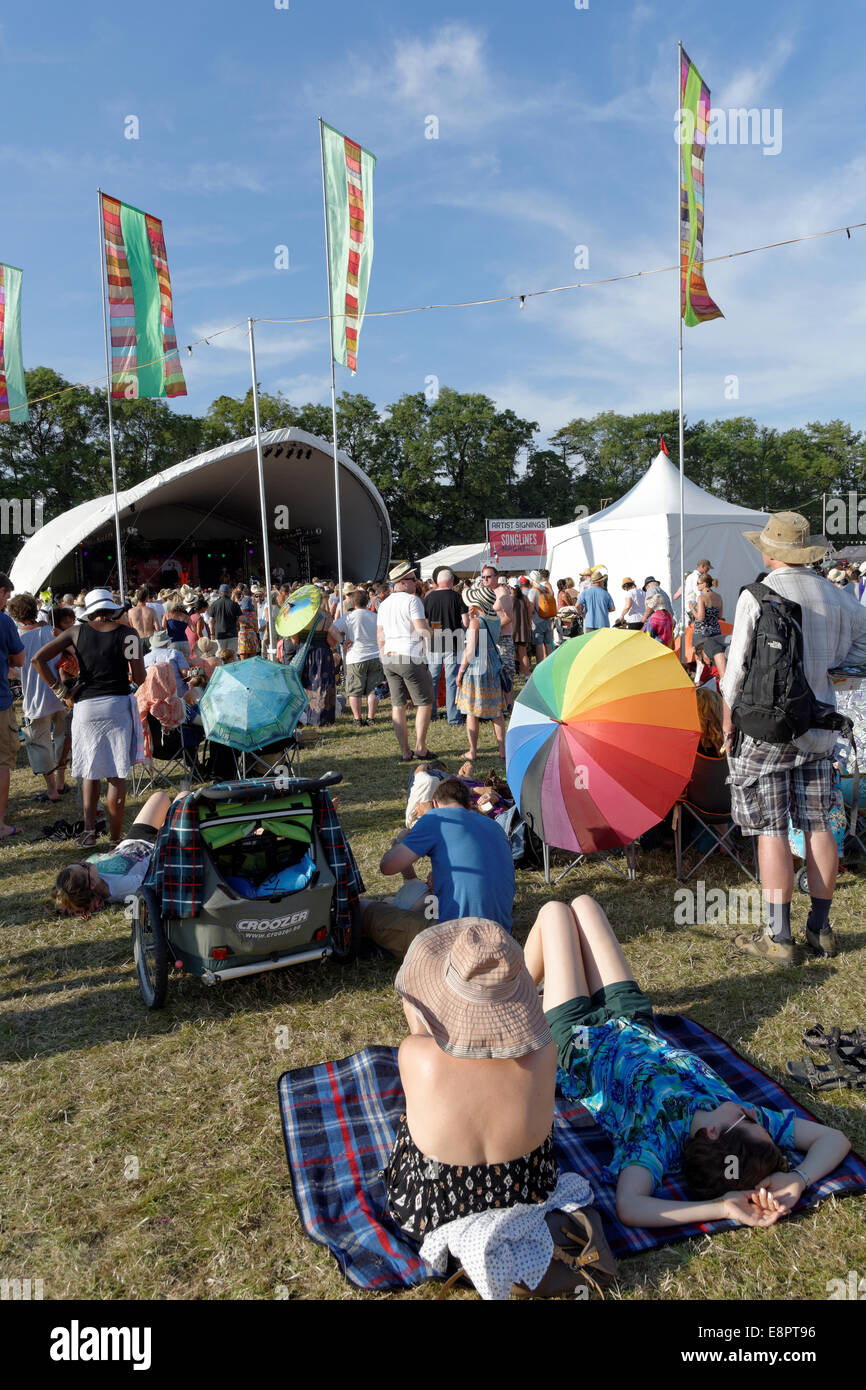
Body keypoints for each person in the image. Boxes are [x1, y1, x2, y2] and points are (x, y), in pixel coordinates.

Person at [524, 894, 851, 1227]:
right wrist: (798, 1178)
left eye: (748, 1120)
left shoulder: (656, 1143)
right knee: (584, 905)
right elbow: (834, 1138)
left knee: (554, 914)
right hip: (634, 1022)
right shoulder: (735, 1113)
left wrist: (723, 1207)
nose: (753, 1111)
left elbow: (631, 1205)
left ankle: (502, 1005)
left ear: (712, 1132)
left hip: (580, 1041)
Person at [721, 511, 866, 963]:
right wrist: (827, 675)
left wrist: (727, 722)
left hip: (766, 731)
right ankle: (820, 931)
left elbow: (737, 671)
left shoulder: (758, 595)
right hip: (820, 728)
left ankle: (778, 938)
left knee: (770, 829)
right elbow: (859, 657)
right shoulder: (840, 596)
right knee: (821, 825)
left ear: (770, 551)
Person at [382, 917, 559, 1241]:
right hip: (529, 1196)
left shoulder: (416, 1056)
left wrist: (426, 1022)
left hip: (433, 1212)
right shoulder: (546, 1051)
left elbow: (428, 1055)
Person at [31, 588, 145, 847]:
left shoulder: (76, 632)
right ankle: (116, 839)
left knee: (90, 773)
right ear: (112, 608)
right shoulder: (128, 634)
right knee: (116, 775)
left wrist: (60, 690)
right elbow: (139, 678)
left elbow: (38, 659)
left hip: (85, 708)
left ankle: (89, 832)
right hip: (116, 705)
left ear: (90, 611)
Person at [380, 775, 516, 931]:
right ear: (468, 805)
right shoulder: (494, 826)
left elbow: (387, 866)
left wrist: (401, 840)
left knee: (369, 910)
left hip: (458, 934)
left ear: (436, 804)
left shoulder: (435, 818)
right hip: (502, 930)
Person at [49, 790, 176, 916]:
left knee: (160, 797)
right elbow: (155, 882)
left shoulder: (93, 876)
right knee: (184, 800)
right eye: (83, 866)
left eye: (78, 863)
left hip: (133, 840)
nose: (84, 861)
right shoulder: (119, 888)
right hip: (157, 848)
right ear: (92, 884)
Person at [8, 593, 70, 805]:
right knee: (62, 738)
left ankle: (52, 789)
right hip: (60, 693)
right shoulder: (52, 631)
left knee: (40, 744)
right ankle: (61, 782)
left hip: (35, 698)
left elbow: (14, 670)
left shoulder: (17, 638)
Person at [377, 562, 434, 763]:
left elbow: (380, 636)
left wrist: (383, 657)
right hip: (409, 655)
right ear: (402, 582)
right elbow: (421, 630)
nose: (416, 582)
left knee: (397, 705)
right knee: (424, 702)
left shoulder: (383, 604)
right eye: (412, 579)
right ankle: (420, 748)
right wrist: (432, 630)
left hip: (390, 657)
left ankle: (405, 752)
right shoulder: (413, 601)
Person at [455, 581, 508, 764]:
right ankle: (503, 750)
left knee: (472, 712)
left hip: (477, 669)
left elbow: (470, 652)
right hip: (493, 666)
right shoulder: (495, 619)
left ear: (477, 604)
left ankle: (472, 751)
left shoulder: (476, 623)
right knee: (496, 711)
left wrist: (461, 671)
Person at [332, 588, 383, 727]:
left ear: (353, 603)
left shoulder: (349, 617)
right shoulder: (375, 616)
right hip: (375, 655)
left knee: (355, 690)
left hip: (356, 656)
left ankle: (357, 719)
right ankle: (371, 718)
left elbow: (332, 628)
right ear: (367, 602)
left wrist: (342, 641)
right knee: (373, 690)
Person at [423, 567, 466, 727]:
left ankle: (431, 714)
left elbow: (425, 624)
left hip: (435, 642)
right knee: (452, 680)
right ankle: (453, 717)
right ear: (452, 581)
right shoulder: (457, 597)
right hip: (454, 642)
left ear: (437, 581)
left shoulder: (428, 597)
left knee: (432, 680)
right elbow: (466, 622)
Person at [0, 572, 25, 843]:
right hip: (0, 703)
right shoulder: (3, 621)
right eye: (6, 595)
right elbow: (19, 658)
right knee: (2, 763)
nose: (7, 601)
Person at [144, 628, 189, 696]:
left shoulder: (145, 658)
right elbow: (185, 673)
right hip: (178, 694)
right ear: (166, 644)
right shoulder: (175, 653)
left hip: (155, 697)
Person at [527, 570, 556, 662]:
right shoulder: (546, 588)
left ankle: (540, 664)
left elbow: (531, 607)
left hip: (537, 620)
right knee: (547, 643)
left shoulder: (533, 591)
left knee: (539, 644)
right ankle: (550, 662)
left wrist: (528, 619)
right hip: (548, 618)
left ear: (532, 580)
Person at [208, 584, 242, 654]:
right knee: (232, 657)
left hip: (219, 635)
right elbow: (242, 619)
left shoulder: (214, 604)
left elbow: (211, 621)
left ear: (220, 593)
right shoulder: (234, 604)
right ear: (229, 593)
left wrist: (212, 634)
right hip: (232, 634)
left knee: (220, 657)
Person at [692, 575, 724, 641]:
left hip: (702, 633)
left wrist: (692, 608)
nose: (697, 585)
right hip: (716, 632)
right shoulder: (719, 597)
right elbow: (720, 616)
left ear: (705, 584)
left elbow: (700, 618)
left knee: (700, 651)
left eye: (698, 583)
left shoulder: (701, 598)